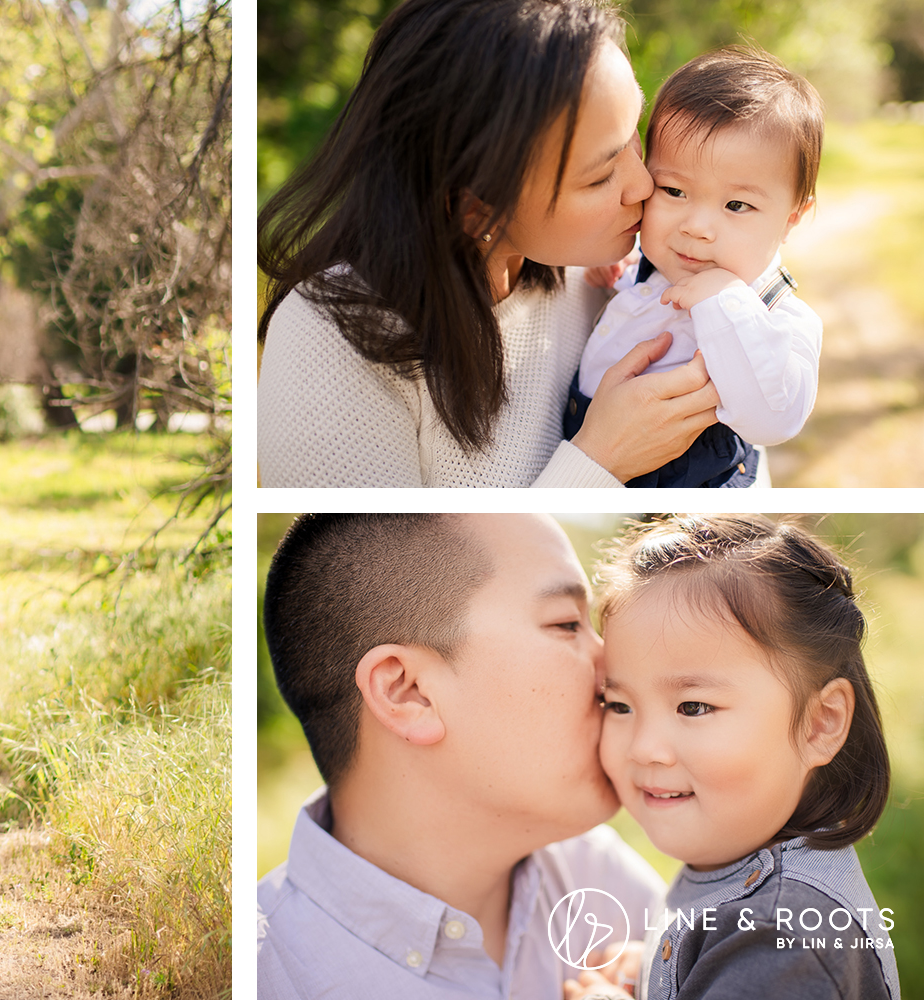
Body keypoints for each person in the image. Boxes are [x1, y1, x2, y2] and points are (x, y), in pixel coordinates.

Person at [257, 0, 723, 487]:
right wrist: (599, 462)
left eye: (635, 136)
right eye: (601, 176)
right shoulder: (331, 341)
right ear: (472, 207)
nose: (644, 185)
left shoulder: (607, 274)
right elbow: (382, 565)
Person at [257, 514, 666, 999]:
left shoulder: (601, 884)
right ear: (408, 692)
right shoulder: (267, 974)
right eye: (566, 624)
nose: (614, 669)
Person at [564, 516, 896, 1000]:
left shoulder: (782, 941)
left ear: (819, 722)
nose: (643, 747)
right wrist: (672, 974)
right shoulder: (742, 885)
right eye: (619, 705)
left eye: (694, 707)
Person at [565, 48, 823, 488]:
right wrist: (610, 282)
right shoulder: (649, 267)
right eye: (674, 190)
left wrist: (724, 302)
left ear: (791, 219)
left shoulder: (779, 317)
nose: (698, 228)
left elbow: (775, 421)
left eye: (737, 205)